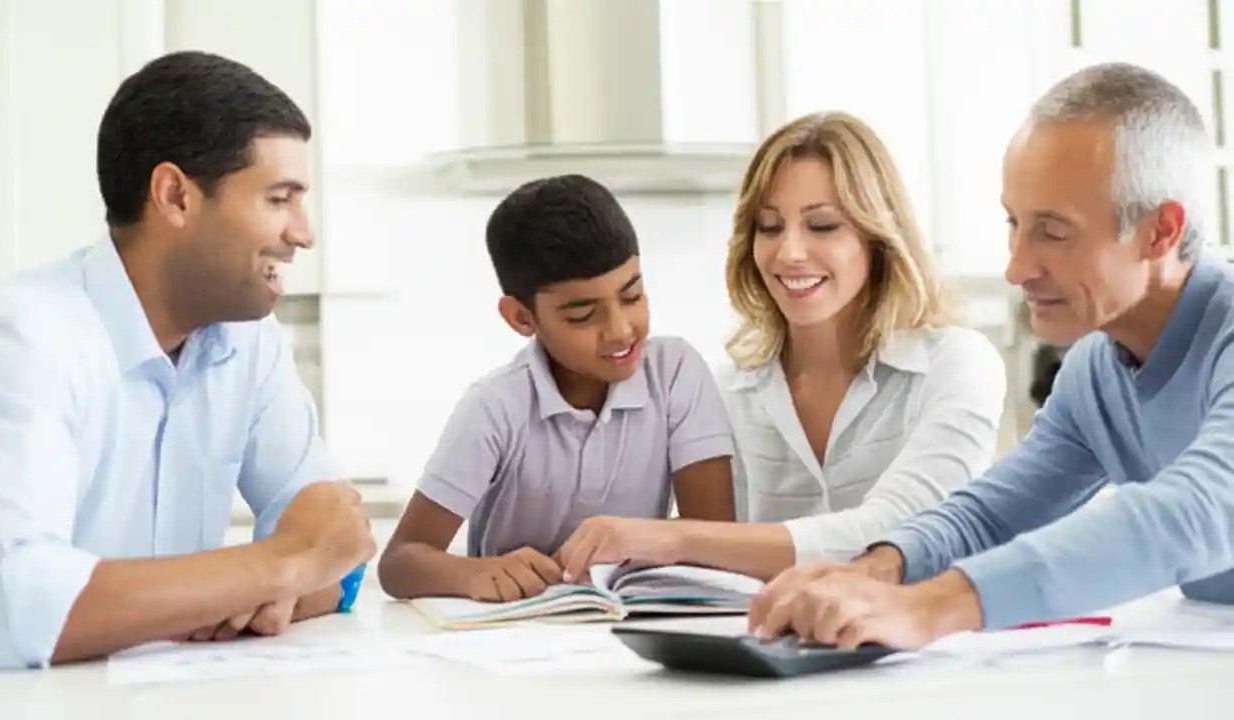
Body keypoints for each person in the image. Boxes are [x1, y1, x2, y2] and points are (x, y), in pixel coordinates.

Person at [749, 61, 1234, 650]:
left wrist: (931, 608)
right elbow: (991, 515)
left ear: (1160, 232)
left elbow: (1198, 509)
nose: (1016, 267)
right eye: (1014, 223)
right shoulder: (1096, 371)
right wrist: (875, 571)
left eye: (1052, 231)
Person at [0, 51, 376, 671]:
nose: (303, 233)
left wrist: (282, 573)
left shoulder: (250, 341)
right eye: (279, 199)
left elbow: (342, 544)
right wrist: (277, 566)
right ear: (176, 196)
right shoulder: (18, 338)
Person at [553, 112, 1006, 583]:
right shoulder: (723, 392)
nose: (789, 252)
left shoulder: (958, 364)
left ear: (878, 238)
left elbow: (906, 530)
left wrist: (677, 537)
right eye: (769, 227)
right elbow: (709, 553)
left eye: (822, 226)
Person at [377, 174, 736, 601]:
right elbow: (399, 562)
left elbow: (718, 536)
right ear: (521, 318)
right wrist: (474, 574)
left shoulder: (675, 373)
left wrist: (640, 539)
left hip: (632, 617)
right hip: (516, 629)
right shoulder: (496, 408)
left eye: (632, 296)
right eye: (583, 315)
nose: (621, 330)